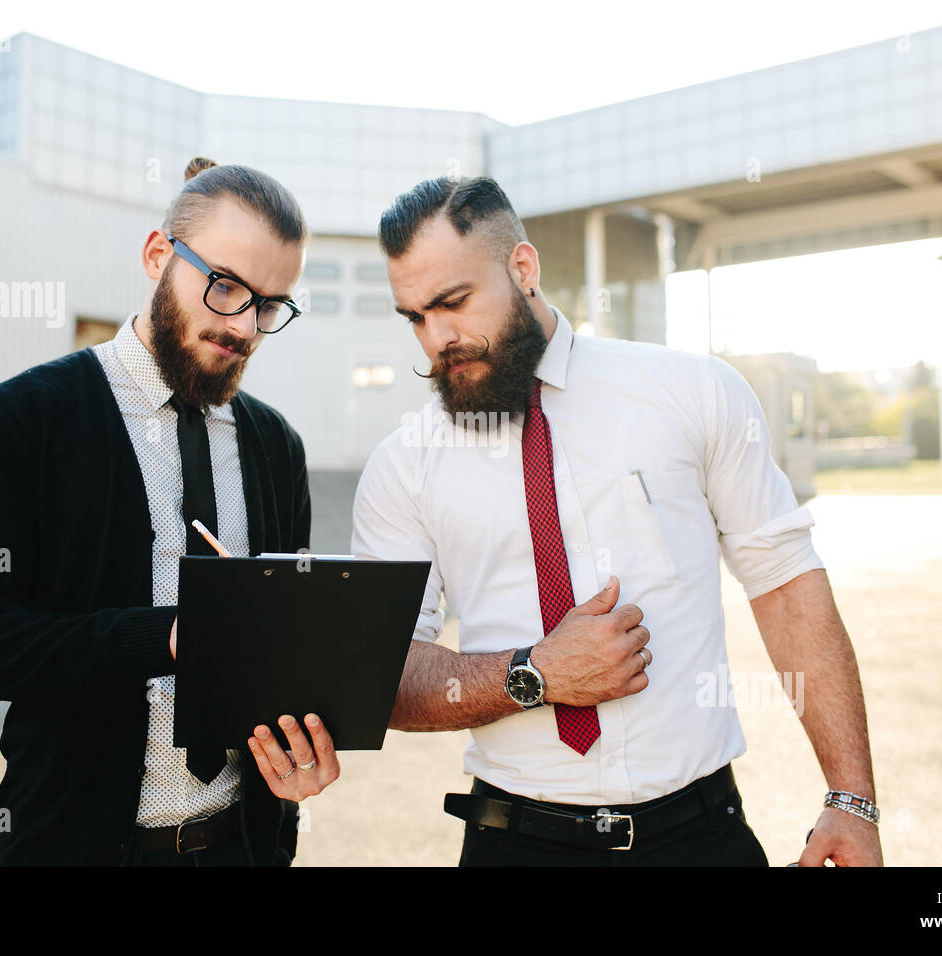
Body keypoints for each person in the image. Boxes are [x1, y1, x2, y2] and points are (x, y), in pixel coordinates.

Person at [350, 175, 883, 866]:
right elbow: (383, 674)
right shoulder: (403, 465)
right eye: (415, 316)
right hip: (513, 845)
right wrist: (533, 674)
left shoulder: (692, 391)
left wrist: (852, 797)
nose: (436, 338)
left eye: (452, 302)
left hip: (700, 837)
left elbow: (785, 585)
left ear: (523, 268)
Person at [0, 157, 339, 867]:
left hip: (242, 850)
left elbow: (276, 655)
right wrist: (167, 637)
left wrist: (299, 752)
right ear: (158, 255)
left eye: (269, 305)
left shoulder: (276, 447)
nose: (243, 325)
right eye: (225, 286)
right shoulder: (29, 417)